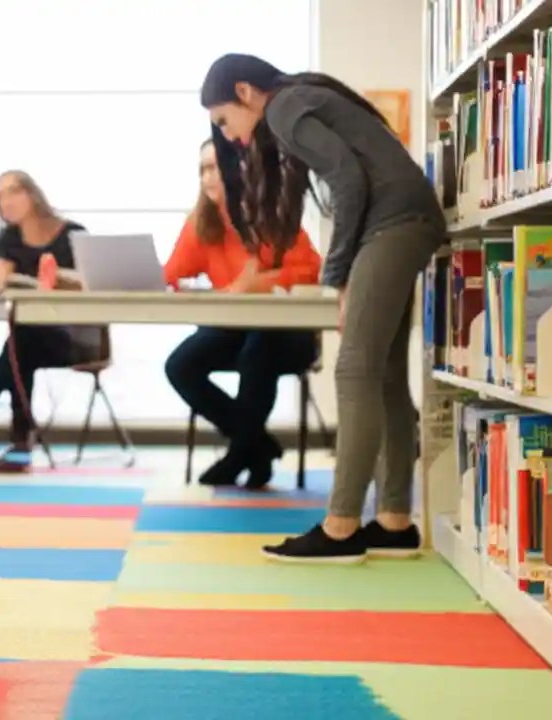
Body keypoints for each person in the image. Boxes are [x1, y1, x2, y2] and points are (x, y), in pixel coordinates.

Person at [201, 53, 445, 563]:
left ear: (245, 92)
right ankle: (395, 522)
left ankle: (340, 527)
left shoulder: (284, 107)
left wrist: (338, 277)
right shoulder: (302, 99)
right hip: (407, 220)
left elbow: (349, 181)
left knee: (354, 369)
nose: (227, 136)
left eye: (224, 120)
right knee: (382, 376)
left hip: (392, 224)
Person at [163, 139, 322, 489]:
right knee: (180, 365)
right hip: (235, 327)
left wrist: (259, 284)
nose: (208, 177)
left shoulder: (273, 214)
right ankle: (256, 445)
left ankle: (241, 452)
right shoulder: (201, 223)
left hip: (288, 332)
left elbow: (312, 271)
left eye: (216, 168)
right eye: (203, 169)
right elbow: (171, 274)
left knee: (258, 350)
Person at [0, 170, 98, 474]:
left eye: (12, 191)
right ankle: (19, 442)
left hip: (76, 338)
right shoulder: (8, 239)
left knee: (20, 343)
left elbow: (93, 286)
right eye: (0, 195)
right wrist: (2, 277)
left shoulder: (73, 234)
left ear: (32, 194)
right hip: (31, 338)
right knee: (23, 343)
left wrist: (60, 282)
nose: (5, 201)